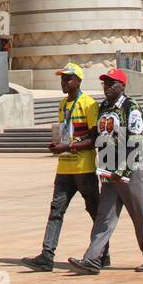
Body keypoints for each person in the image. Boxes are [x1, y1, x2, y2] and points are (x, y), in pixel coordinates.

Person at [69, 68, 143, 274]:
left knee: (138, 215)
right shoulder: (103, 107)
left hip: (130, 171)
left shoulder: (131, 107)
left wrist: (125, 171)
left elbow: (135, 140)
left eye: (112, 83)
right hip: (109, 171)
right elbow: (99, 134)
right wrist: (75, 143)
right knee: (104, 217)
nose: (107, 87)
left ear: (122, 86)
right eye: (105, 83)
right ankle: (92, 259)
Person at [22, 60, 105, 272]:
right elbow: (65, 131)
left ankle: (102, 254)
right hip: (64, 168)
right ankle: (46, 256)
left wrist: (69, 146)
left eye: (68, 79)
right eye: (62, 78)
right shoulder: (62, 105)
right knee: (56, 211)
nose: (64, 82)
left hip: (84, 169)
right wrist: (58, 145)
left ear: (78, 81)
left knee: (94, 211)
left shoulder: (88, 104)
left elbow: (94, 138)